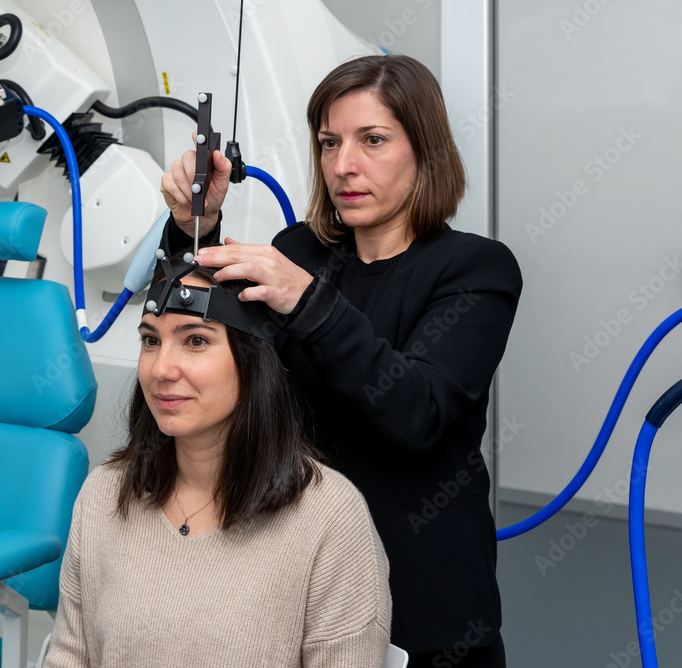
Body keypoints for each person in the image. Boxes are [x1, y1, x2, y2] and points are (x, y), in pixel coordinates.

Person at [158, 54, 522, 667]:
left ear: (425, 151)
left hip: (423, 606)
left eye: (372, 140)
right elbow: (209, 341)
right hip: (292, 582)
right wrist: (196, 228)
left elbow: (416, 413)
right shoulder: (299, 251)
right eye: (329, 143)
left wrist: (304, 298)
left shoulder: (475, 269)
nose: (343, 166)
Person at [43, 257, 392, 668]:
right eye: (150, 340)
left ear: (251, 361)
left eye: (196, 341)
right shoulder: (104, 493)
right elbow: (69, 656)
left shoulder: (330, 518)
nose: (161, 369)